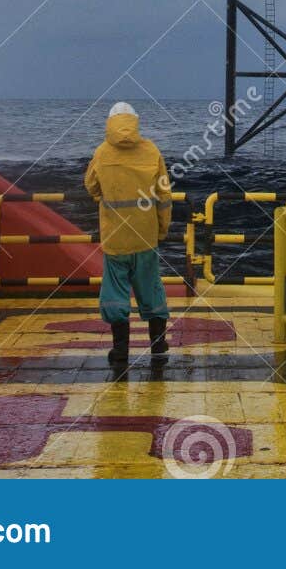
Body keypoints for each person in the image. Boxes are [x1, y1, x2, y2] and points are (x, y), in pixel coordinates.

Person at [83, 101, 173, 370]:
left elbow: (91, 186)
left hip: (115, 238)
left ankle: (120, 351)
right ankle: (158, 346)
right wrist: (162, 229)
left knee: (115, 293)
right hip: (145, 237)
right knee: (151, 288)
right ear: (135, 121)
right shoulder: (151, 150)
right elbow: (164, 196)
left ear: (110, 122)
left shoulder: (102, 152)